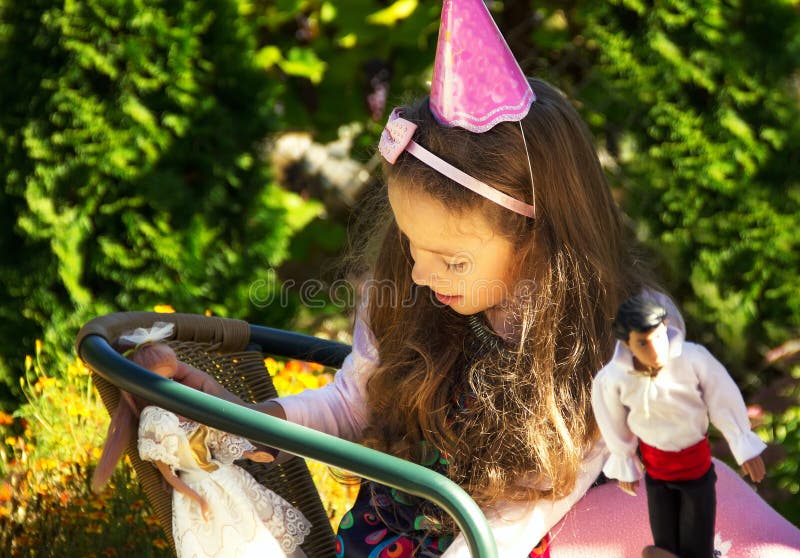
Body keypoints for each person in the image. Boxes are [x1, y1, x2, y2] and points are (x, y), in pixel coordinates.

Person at [175, 1, 800, 556]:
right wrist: (254, 425)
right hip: (396, 541)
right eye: (411, 243)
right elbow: (349, 402)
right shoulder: (413, 291)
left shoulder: (597, 340)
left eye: (451, 259)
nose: (420, 272)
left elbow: (523, 519)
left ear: (538, 241)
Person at [93, 330, 310, 558]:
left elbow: (217, 437)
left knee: (255, 531)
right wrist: (197, 499)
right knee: (223, 543)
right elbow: (169, 474)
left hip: (224, 477)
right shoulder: (157, 420)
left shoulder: (189, 405)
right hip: (197, 487)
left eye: (171, 379)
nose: (169, 386)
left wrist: (249, 453)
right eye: (159, 381)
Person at [591, 295, 767, 558]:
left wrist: (742, 441)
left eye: (659, 337)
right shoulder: (614, 378)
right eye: (643, 343)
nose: (655, 350)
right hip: (657, 473)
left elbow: (722, 395)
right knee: (665, 544)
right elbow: (610, 416)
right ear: (627, 344)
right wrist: (624, 459)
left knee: (697, 544)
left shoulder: (692, 359)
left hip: (695, 470)